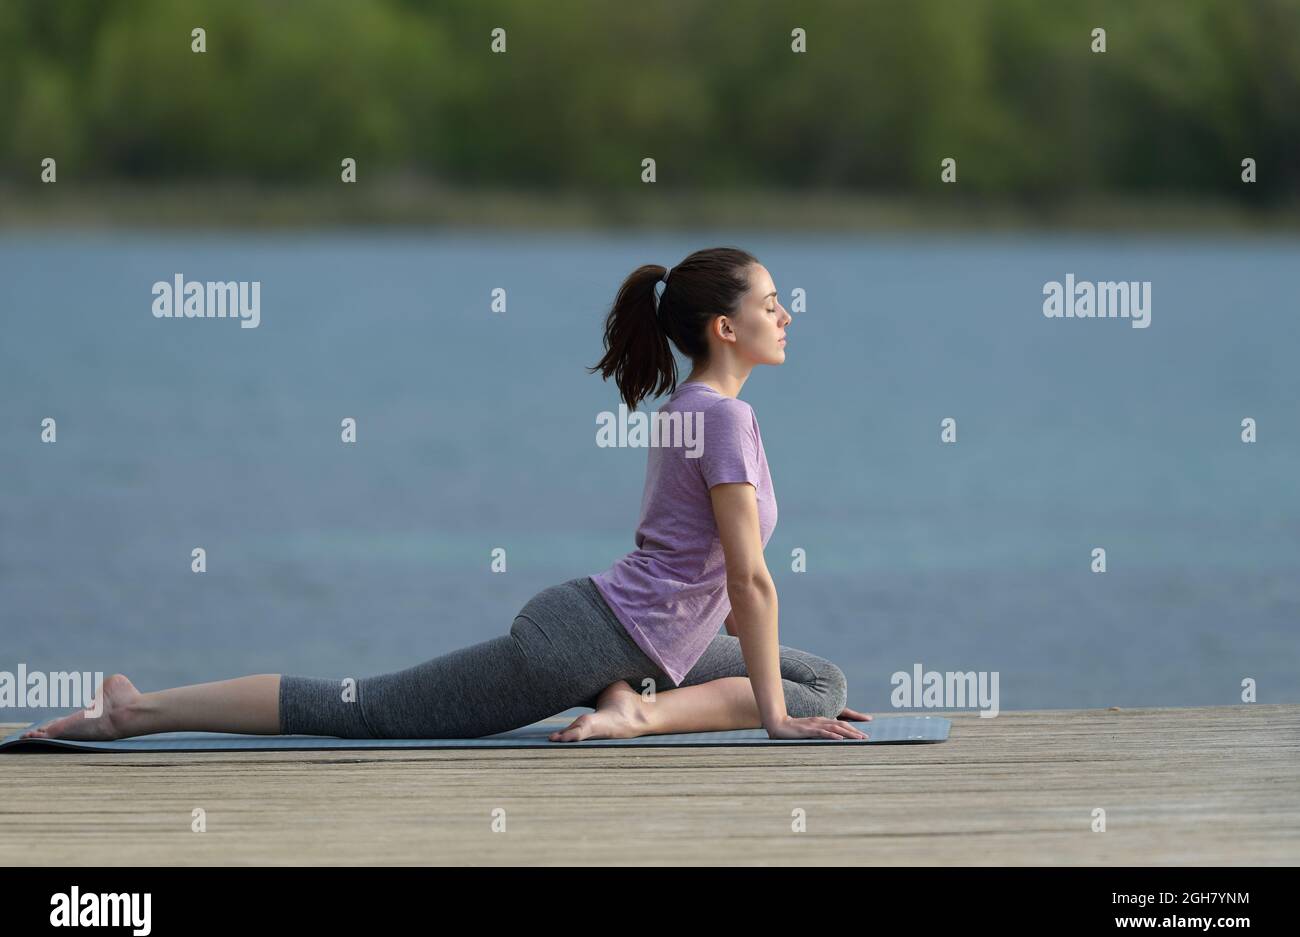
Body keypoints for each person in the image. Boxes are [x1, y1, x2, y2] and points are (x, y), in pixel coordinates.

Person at [23, 246, 869, 744]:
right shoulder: (722, 421)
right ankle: (132, 711)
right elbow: (751, 581)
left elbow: (706, 571)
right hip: (581, 641)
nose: (786, 314)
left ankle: (632, 706)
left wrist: (771, 696)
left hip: (638, 640)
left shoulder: (696, 410)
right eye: (770, 303)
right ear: (727, 328)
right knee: (366, 708)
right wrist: (773, 725)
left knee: (818, 683)